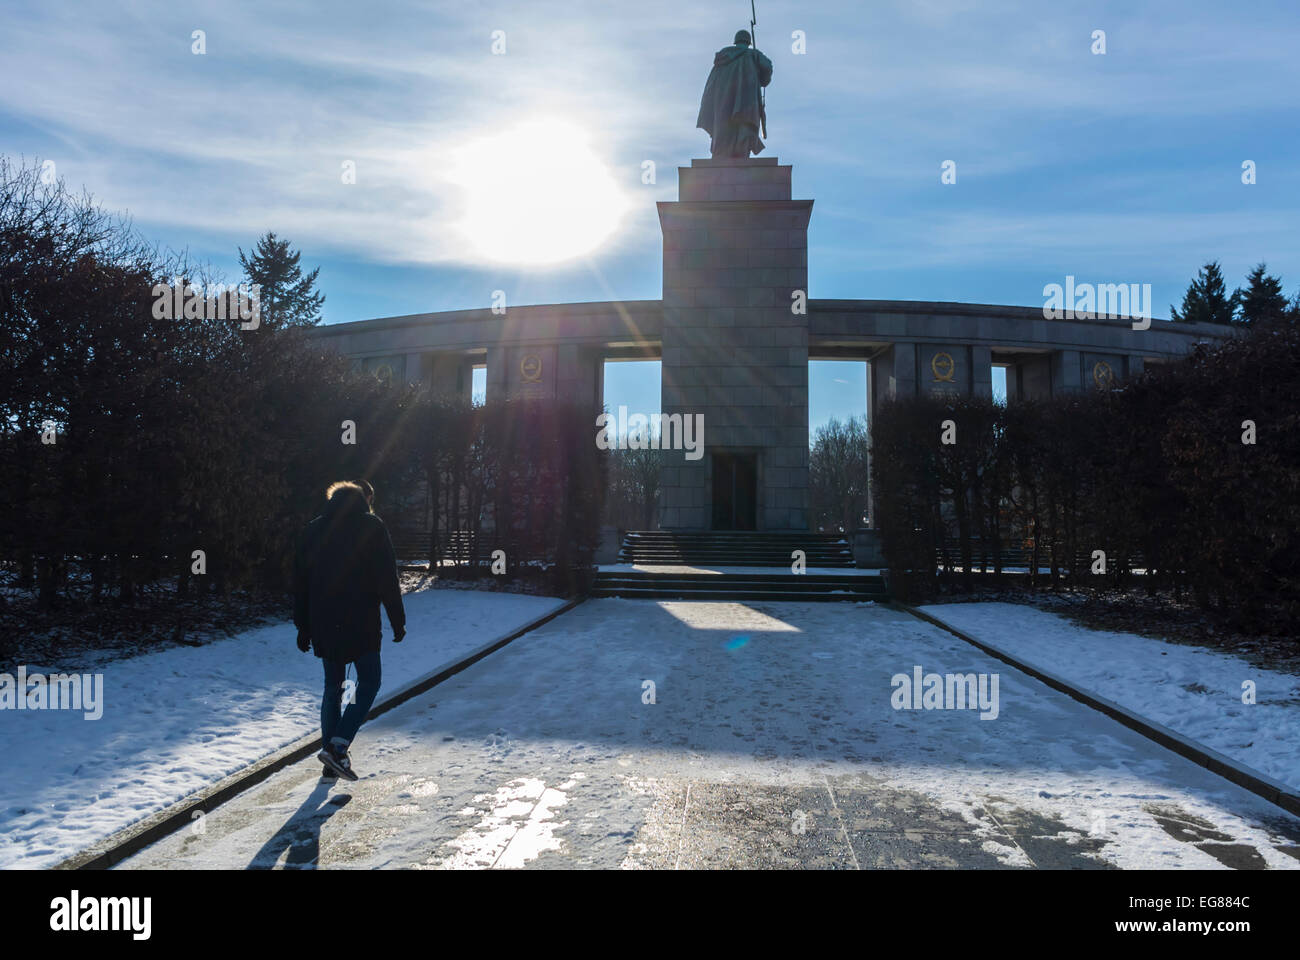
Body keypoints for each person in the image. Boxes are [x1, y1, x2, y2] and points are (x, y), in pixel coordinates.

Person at [293, 480, 406, 780]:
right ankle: (338, 748)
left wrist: (303, 627)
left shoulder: (313, 529)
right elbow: (386, 577)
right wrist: (397, 619)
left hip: (323, 623)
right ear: (364, 499)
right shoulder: (372, 527)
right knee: (369, 681)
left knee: (334, 687)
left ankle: (331, 758)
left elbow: (300, 583)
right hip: (362, 622)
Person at [696, 29, 773, 160]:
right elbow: (767, 67)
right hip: (747, 102)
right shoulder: (753, 55)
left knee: (723, 127)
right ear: (748, 42)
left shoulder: (722, 59)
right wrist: (762, 77)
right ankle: (741, 155)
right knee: (743, 126)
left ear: (736, 41)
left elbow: (710, 86)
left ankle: (721, 155)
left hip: (723, 101)